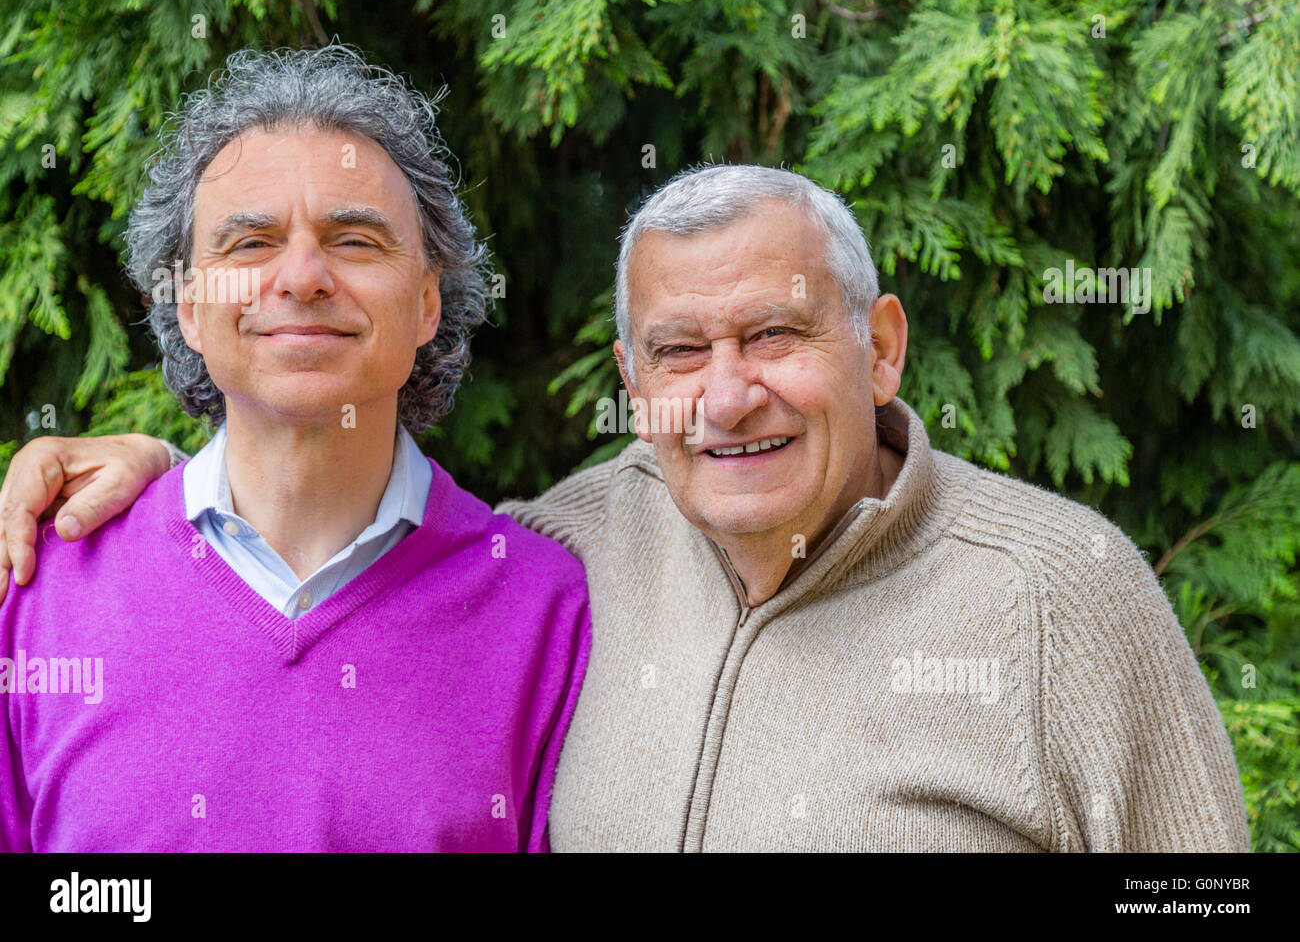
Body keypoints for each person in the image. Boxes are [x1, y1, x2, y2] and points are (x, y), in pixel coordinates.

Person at [1, 164, 1249, 852]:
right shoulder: (560, 558)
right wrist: (163, 479)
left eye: (773, 333)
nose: (725, 395)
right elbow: (339, 532)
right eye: (677, 351)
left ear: (878, 349)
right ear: (630, 382)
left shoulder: (1059, 588)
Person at [0, 44, 590, 852]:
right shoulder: (40, 591)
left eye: (355, 240)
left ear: (426, 302)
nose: (304, 275)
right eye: (250, 244)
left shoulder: (544, 611)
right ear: (190, 310)